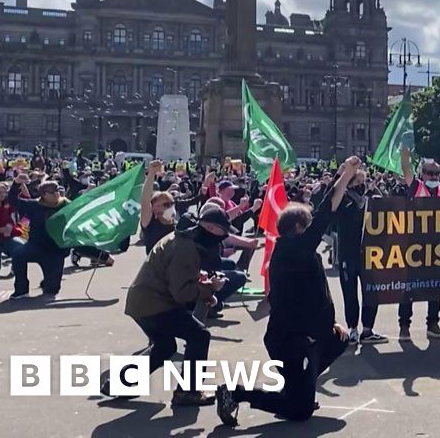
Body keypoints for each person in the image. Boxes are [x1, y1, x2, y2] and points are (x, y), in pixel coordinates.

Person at [215, 160, 354, 427]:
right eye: (310, 226)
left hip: (306, 335)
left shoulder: (297, 251)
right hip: (291, 340)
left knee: (339, 339)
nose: (316, 230)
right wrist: (345, 174)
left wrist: (327, 323)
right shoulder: (293, 250)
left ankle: (300, 386)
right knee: (300, 411)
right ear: (300, 229)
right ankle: (235, 393)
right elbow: (326, 211)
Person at [115, 207, 233, 406]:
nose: (224, 238)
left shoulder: (183, 237)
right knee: (199, 336)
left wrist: (199, 281)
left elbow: (175, 277)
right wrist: (208, 288)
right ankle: (188, 392)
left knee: (165, 345)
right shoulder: (185, 247)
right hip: (154, 304)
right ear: (211, 229)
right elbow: (182, 293)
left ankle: (122, 384)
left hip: (143, 301)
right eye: (223, 233)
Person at [333, 158, 387, 344]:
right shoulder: (343, 200)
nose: (361, 186)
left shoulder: (371, 199)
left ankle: (368, 329)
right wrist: (341, 173)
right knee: (350, 293)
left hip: (370, 254)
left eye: (363, 182)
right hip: (348, 254)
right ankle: (353, 329)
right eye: (358, 183)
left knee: (371, 292)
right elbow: (330, 199)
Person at [397, 146, 440, 341]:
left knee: (436, 287)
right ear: (422, 174)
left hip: (438, 248)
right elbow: (406, 170)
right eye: (429, 172)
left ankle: (432, 324)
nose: (433, 176)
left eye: (436, 173)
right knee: (409, 287)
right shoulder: (417, 187)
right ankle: (404, 325)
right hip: (415, 247)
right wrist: (404, 157)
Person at [7, 175, 69, 298]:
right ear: (44, 194)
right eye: (52, 192)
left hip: (55, 252)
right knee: (18, 255)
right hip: (35, 247)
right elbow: (13, 201)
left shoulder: (66, 205)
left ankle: (48, 281)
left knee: (52, 290)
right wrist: (16, 184)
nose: (56, 194)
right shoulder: (34, 205)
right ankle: (22, 289)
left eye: (57, 190)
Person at [140, 160, 178, 255]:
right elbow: (145, 201)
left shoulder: (179, 227)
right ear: (155, 208)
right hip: (155, 268)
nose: (171, 207)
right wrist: (151, 174)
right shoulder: (150, 224)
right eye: (166, 205)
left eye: (172, 203)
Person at [0, 182, 23, 276]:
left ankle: (15, 269)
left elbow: (14, 219)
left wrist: (10, 226)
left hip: (7, 237)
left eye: (4, 192)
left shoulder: (8, 205)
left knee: (20, 246)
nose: (3, 194)